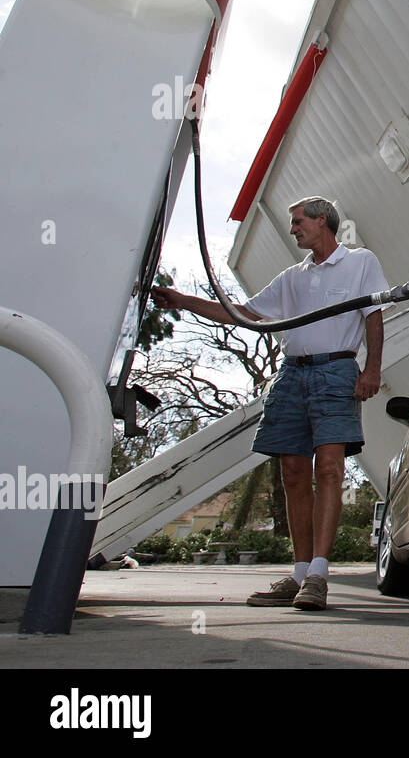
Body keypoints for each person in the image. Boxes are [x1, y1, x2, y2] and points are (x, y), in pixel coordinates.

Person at [151, 196, 388, 611]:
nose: (293, 228)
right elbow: (244, 314)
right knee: (293, 472)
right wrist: (186, 301)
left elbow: (373, 314)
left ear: (322, 221)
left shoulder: (360, 262)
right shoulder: (291, 278)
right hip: (291, 374)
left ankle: (318, 575)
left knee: (329, 468)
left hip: (337, 372)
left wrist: (371, 371)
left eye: (298, 222)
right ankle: (298, 575)